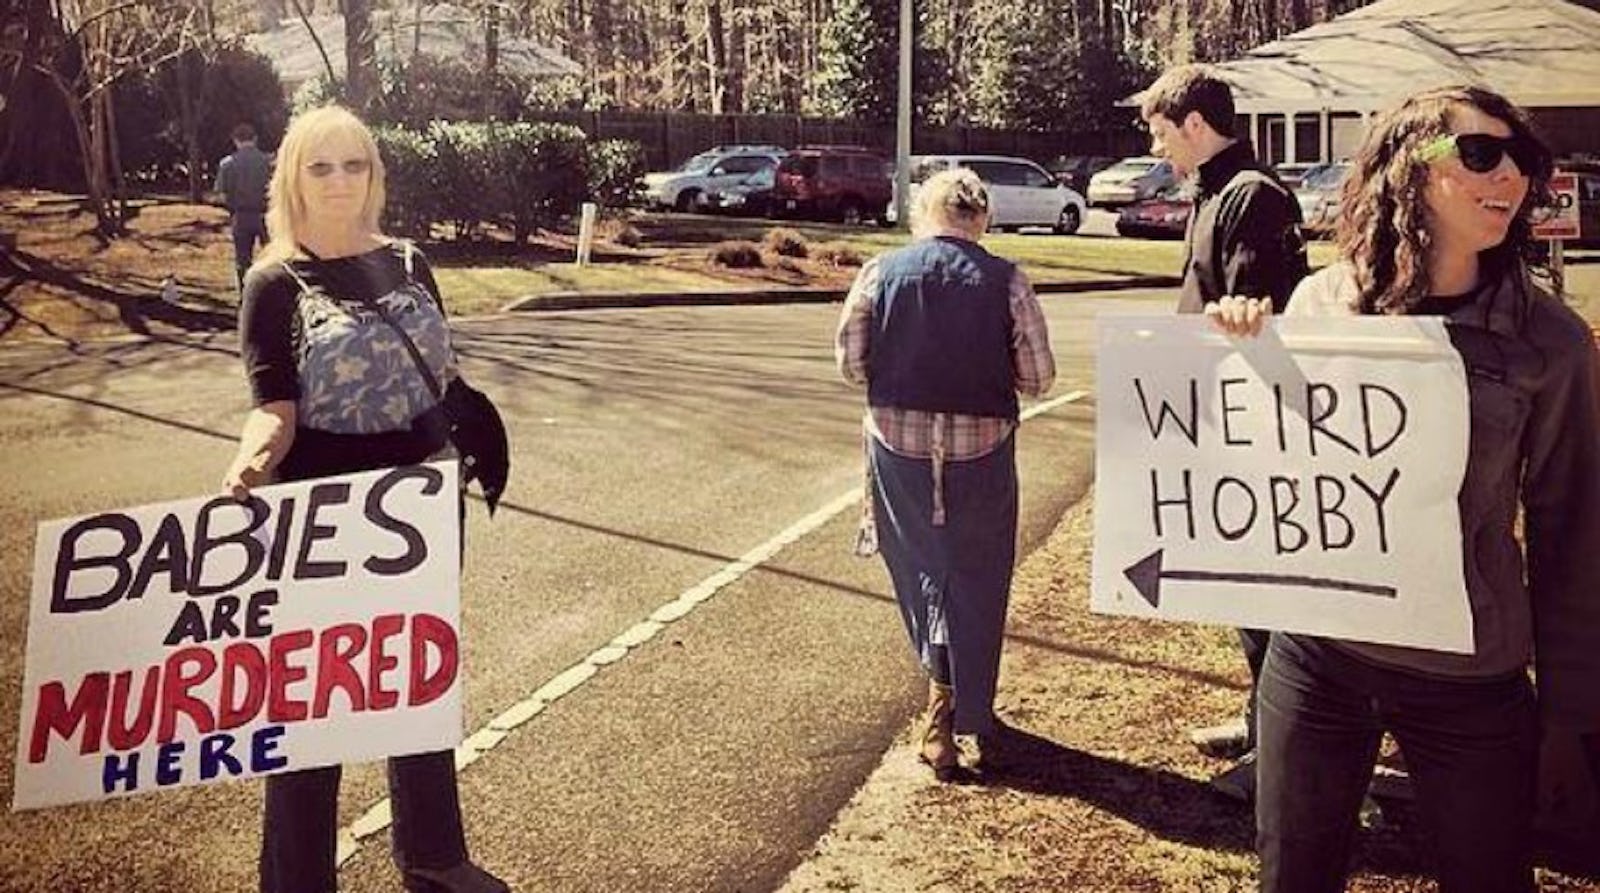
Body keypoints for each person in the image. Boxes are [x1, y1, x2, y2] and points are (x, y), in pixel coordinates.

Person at [1208, 84, 1600, 892]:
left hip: (1471, 683)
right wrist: (1242, 355)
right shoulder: (1323, 301)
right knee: (1291, 875)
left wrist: (1569, 719)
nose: (1512, 177)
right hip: (1320, 657)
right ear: (1404, 169)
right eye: (1480, 153)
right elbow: (1281, 461)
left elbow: (1573, 535)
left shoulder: (1550, 340)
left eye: (1522, 157)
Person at [221, 106, 509, 893]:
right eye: (322, 167)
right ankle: (295, 878)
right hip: (323, 516)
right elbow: (273, 405)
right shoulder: (274, 282)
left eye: (356, 165)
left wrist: (460, 445)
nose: (341, 181)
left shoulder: (411, 262)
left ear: (375, 175)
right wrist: (251, 459)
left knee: (416, 683)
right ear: (293, 178)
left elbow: (442, 373)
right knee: (314, 703)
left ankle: (435, 855)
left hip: (419, 506)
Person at [835, 167, 1056, 780]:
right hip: (980, 452)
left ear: (923, 214)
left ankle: (940, 698)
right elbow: (1038, 378)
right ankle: (969, 706)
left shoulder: (881, 272)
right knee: (978, 578)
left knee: (922, 575)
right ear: (980, 219)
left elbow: (852, 365)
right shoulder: (1008, 280)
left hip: (898, 450)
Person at [1139, 63, 1309, 799]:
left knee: (1268, 590)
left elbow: (1252, 316)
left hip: (1255, 424)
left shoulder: (1253, 198)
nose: (1155, 148)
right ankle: (1261, 718)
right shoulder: (1218, 192)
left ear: (1195, 125)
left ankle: (1282, 747)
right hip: (1218, 418)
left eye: (1159, 131)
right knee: (1243, 588)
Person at [214, 122, 273, 290]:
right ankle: (273, 293)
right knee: (272, 257)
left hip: (240, 215)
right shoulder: (267, 162)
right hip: (265, 215)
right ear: (255, 139)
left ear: (235, 140)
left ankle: (246, 296)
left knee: (243, 260)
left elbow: (222, 194)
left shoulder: (227, 164)